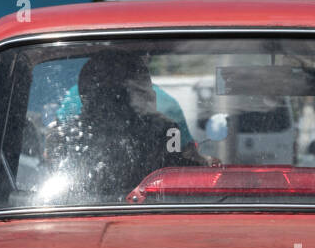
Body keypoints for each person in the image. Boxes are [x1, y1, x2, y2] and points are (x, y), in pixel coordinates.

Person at [45, 48, 209, 198]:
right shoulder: (166, 127)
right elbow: (180, 174)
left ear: (84, 94)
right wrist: (204, 166)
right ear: (140, 92)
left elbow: (50, 170)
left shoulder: (69, 132)